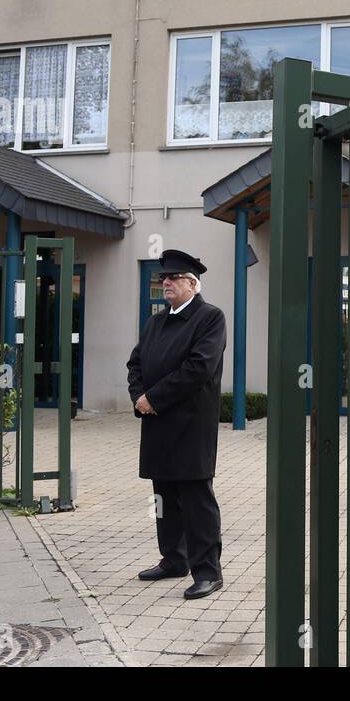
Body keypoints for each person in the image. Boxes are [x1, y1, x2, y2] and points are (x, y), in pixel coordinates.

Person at [126, 249, 227, 599]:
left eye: (172, 278)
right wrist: (138, 395)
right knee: (163, 497)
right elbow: (135, 363)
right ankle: (174, 559)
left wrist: (153, 398)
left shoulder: (210, 318)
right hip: (157, 425)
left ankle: (208, 572)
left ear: (192, 284)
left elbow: (199, 368)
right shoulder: (157, 320)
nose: (165, 283)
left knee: (196, 499)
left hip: (190, 427)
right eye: (162, 278)